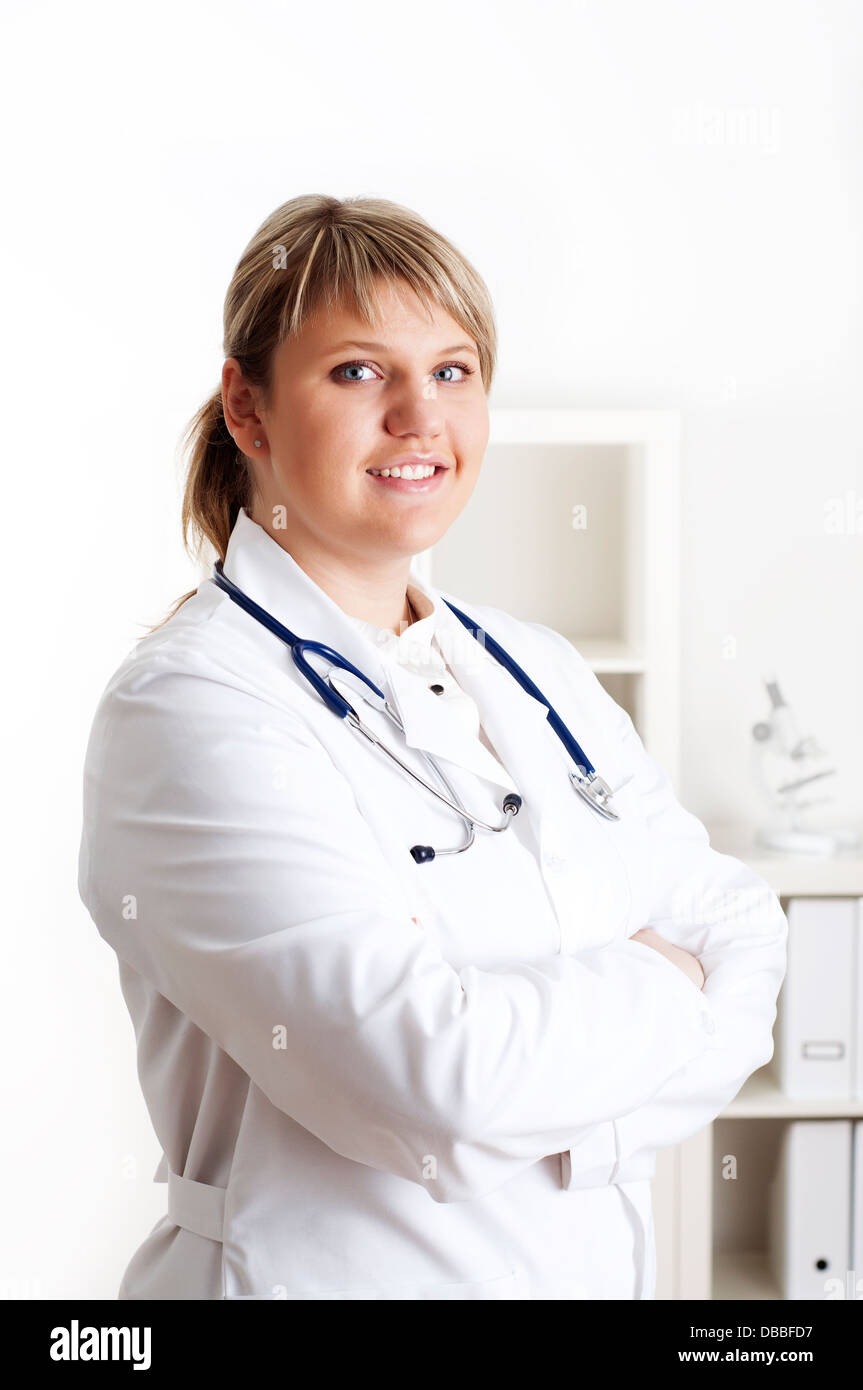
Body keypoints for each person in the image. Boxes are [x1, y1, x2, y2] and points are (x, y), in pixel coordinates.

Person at [77, 193, 787, 1301]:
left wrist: (542, 1098)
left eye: (453, 371)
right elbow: (433, 1082)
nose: (419, 415)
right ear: (248, 411)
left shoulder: (533, 667)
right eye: (358, 372)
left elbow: (742, 933)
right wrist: (665, 983)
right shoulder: (192, 710)